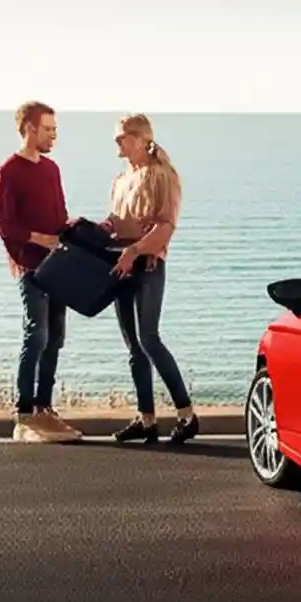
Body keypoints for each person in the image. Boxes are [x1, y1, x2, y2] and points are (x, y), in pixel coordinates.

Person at [98, 113, 199, 445]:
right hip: (121, 264)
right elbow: (117, 221)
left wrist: (136, 251)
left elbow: (165, 226)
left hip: (147, 265)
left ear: (142, 139)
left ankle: (187, 415)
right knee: (134, 346)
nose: (117, 141)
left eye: (123, 136)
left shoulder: (162, 176)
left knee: (149, 338)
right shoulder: (120, 179)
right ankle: (147, 419)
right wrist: (96, 229)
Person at [0, 100, 82, 444]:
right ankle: (24, 412)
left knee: (56, 337)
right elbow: (3, 223)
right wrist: (38, 239)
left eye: (55, 129)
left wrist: (73, 230)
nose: (54, 135)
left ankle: (45, 408)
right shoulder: (9, 171)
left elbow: (59, 214)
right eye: (48, 129)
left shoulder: (52, 169)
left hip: (58, 266)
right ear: (29, 128)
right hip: (31, 267)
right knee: (37, 334)